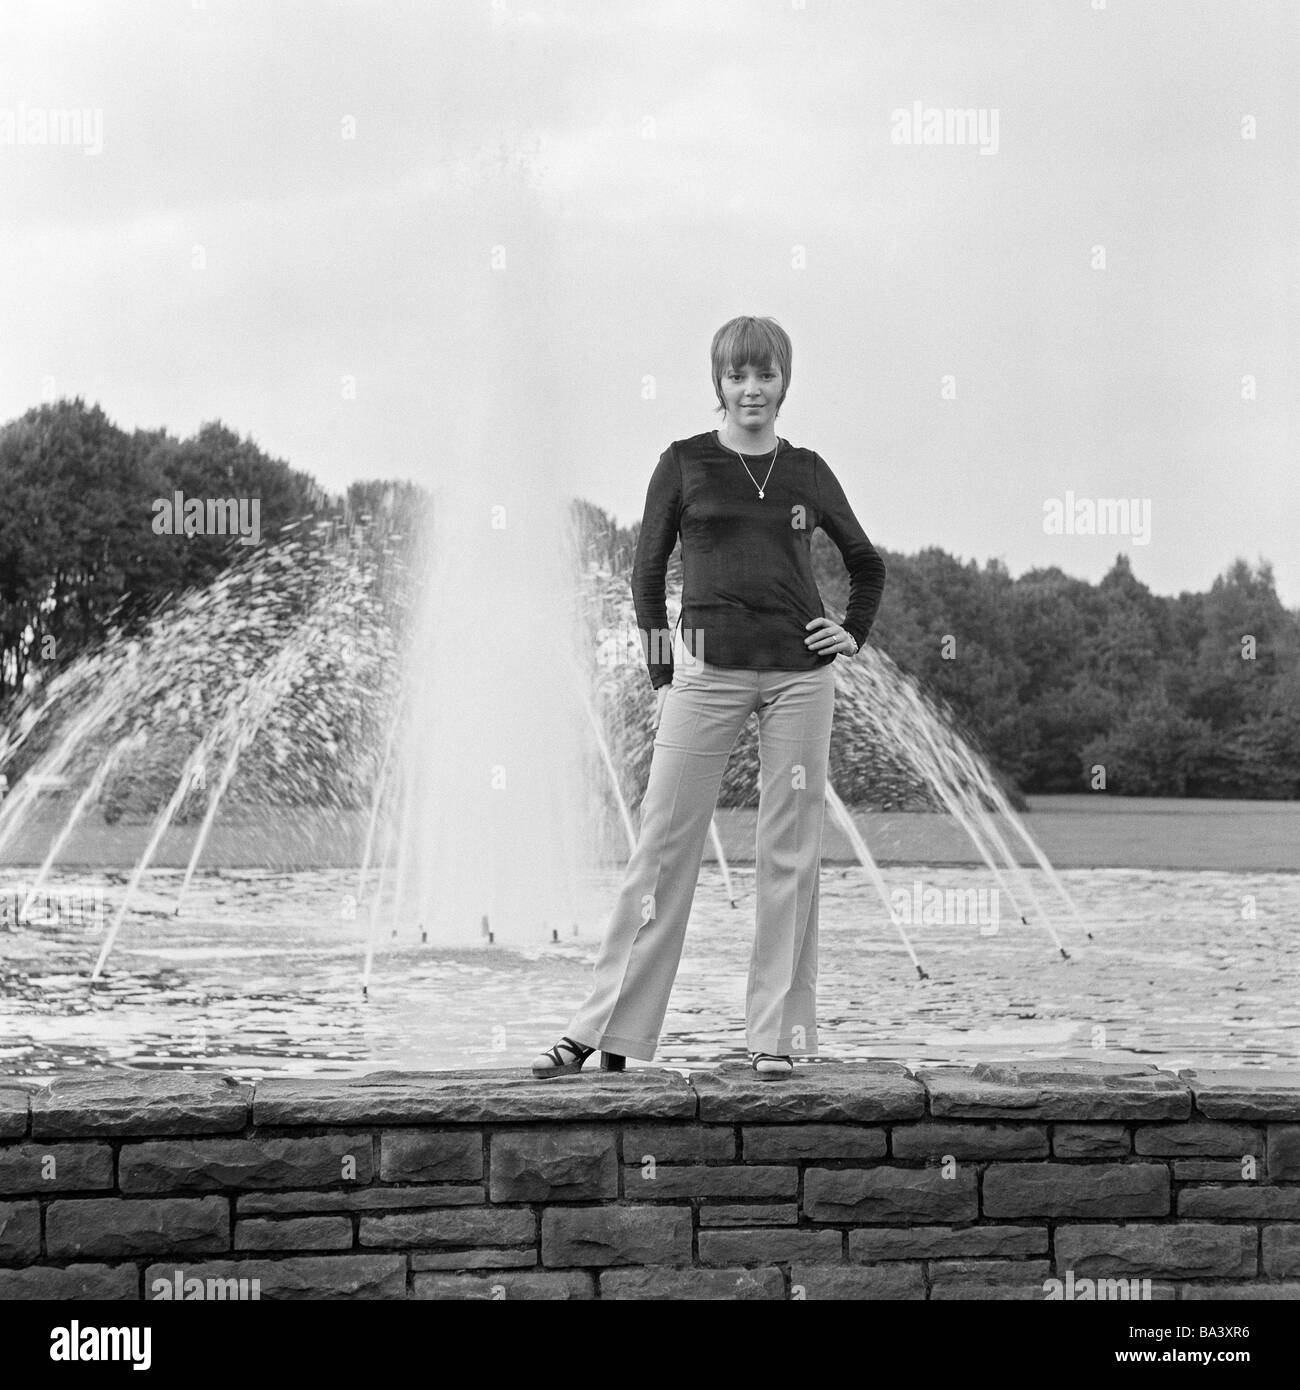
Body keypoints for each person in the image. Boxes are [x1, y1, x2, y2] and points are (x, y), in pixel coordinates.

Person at [532, 315, 886, 1080]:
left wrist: (849, 632)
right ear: (718, 384)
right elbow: (646, 572)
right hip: (704, 673)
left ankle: (777, 1038)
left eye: (764, 374)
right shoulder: (685, 463)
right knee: (662, 848)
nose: (751, 388)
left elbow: (867, 562)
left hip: (799, 677)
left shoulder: (809, 472)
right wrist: (667, 675)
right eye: (737, 375)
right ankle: (606, 1027)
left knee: (789, 855)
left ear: (784, 382)